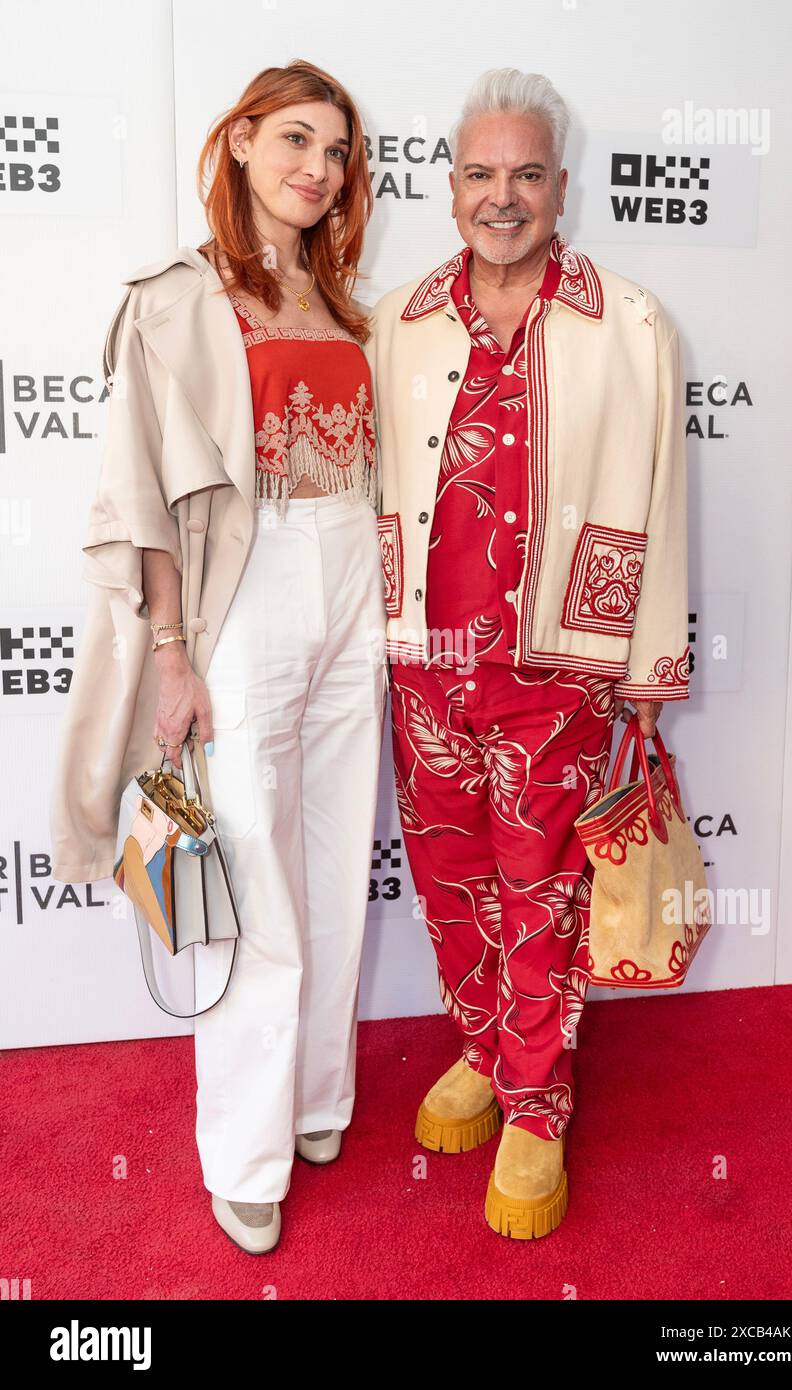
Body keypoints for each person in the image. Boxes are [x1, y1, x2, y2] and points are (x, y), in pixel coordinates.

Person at [49, 61, 386, 1256]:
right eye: (296, 139)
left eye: (337, 150)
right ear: (239, 141)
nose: (318, 166)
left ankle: (313, 1097)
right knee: (248, 874)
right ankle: (242, 1149)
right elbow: (140, 493)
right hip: (247, 593)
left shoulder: (345, 298)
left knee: (337, 857)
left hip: (355, 580)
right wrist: (176, 653)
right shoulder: (178, 299)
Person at [364, 67, 690, 1240]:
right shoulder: (395, 324)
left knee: (539, 889)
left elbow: (662, 499)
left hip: (556, 669)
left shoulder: (629, 322)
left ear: (561, 184)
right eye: (480, 173)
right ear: (449, 185)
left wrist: (645, 676)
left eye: (527, 174)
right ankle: (480, 1046)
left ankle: (537, 1104)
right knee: (453, 888)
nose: (502, 196)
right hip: (422, 664)